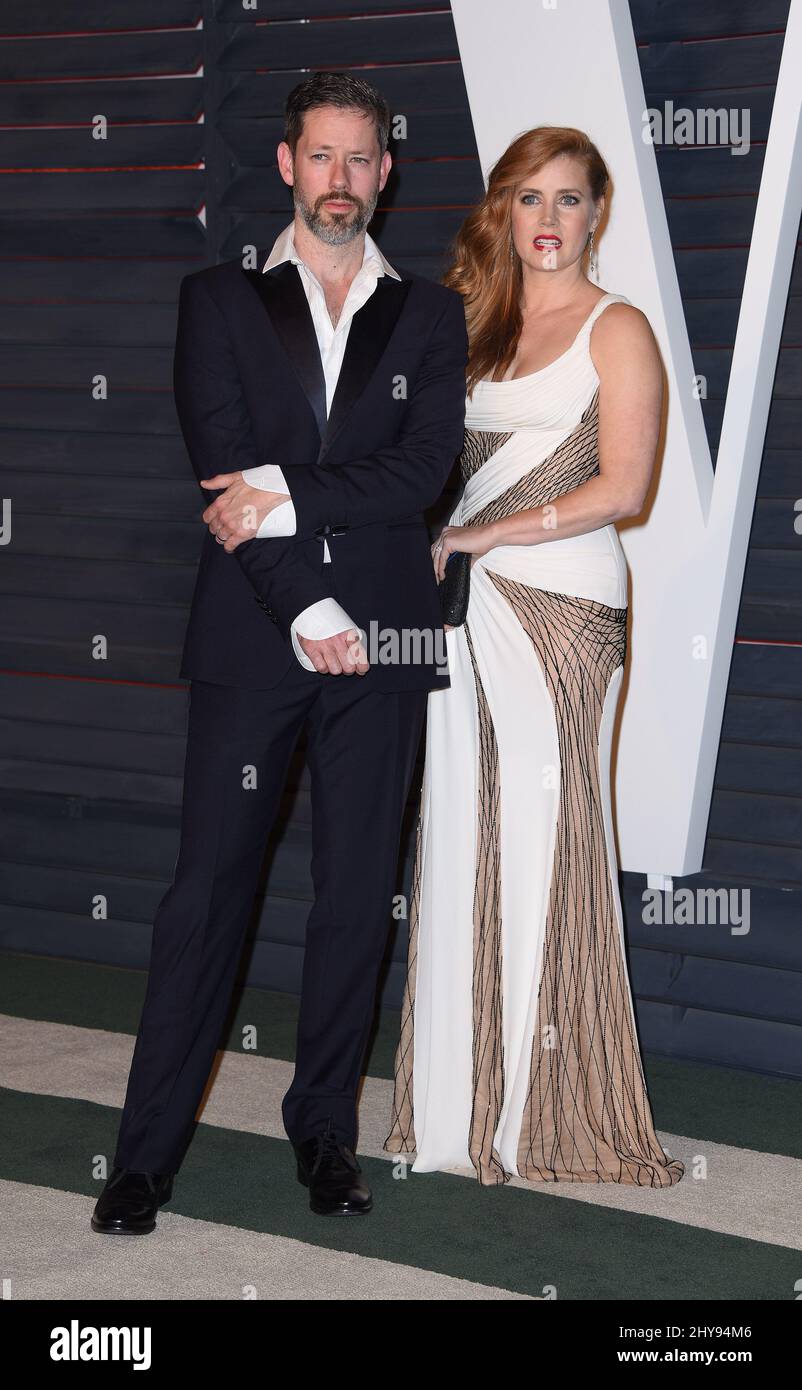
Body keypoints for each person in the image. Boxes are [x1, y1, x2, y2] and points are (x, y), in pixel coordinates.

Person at [90, 71, 467, 1234]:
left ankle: (325, 1137)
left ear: (385, 172)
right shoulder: (218, 300)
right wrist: (308, 608)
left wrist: (287, 494)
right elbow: (221, 474)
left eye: (363, 160)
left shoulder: (432, 314)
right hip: (257, 640)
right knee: (205, 896)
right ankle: (142, 1156)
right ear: (289, 163)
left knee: (357, 899)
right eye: (323, 157)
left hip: (389, 645)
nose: (342, 181)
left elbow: (419, 475)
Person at [384, 126, 685, 1188]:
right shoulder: (473, 326)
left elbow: (624, 489)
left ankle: (547, 1112)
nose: (548, 220)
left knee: (550, 834)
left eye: (568, 199)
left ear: (597, 214)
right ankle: (459, 1108)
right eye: (528, 199)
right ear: (503, 213)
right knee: (461, 829)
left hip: (561, 612)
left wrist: (481, 535)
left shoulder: (620, 329)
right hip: (465, 611)